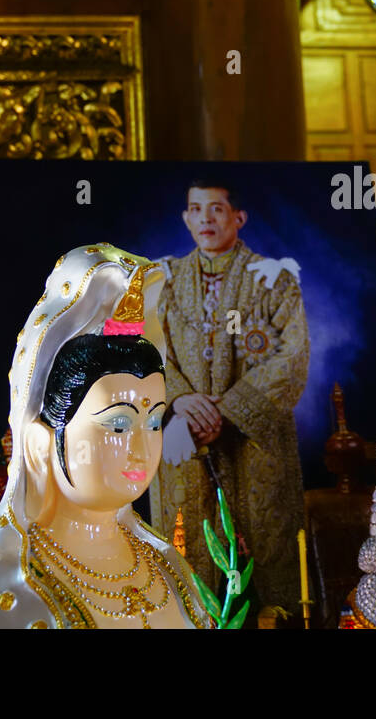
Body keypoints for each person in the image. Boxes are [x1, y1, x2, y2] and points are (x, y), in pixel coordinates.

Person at [0, 244, 208, 628]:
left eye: (153, 422)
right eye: (117, 424)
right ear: (40, 443)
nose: (141, 449)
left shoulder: (168, 567)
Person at [150, 180, 309, 611]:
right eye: (195, 209)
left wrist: (227, 410)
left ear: (238, 218)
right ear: (185, 218)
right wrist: (180, 402)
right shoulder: (161, 282)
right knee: (192, 565)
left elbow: (290, 357)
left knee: (269, 565)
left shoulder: (272, 280)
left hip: (255, 445)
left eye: (216, 209)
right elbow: (146, 351)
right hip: (184, 439)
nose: (205, 218)